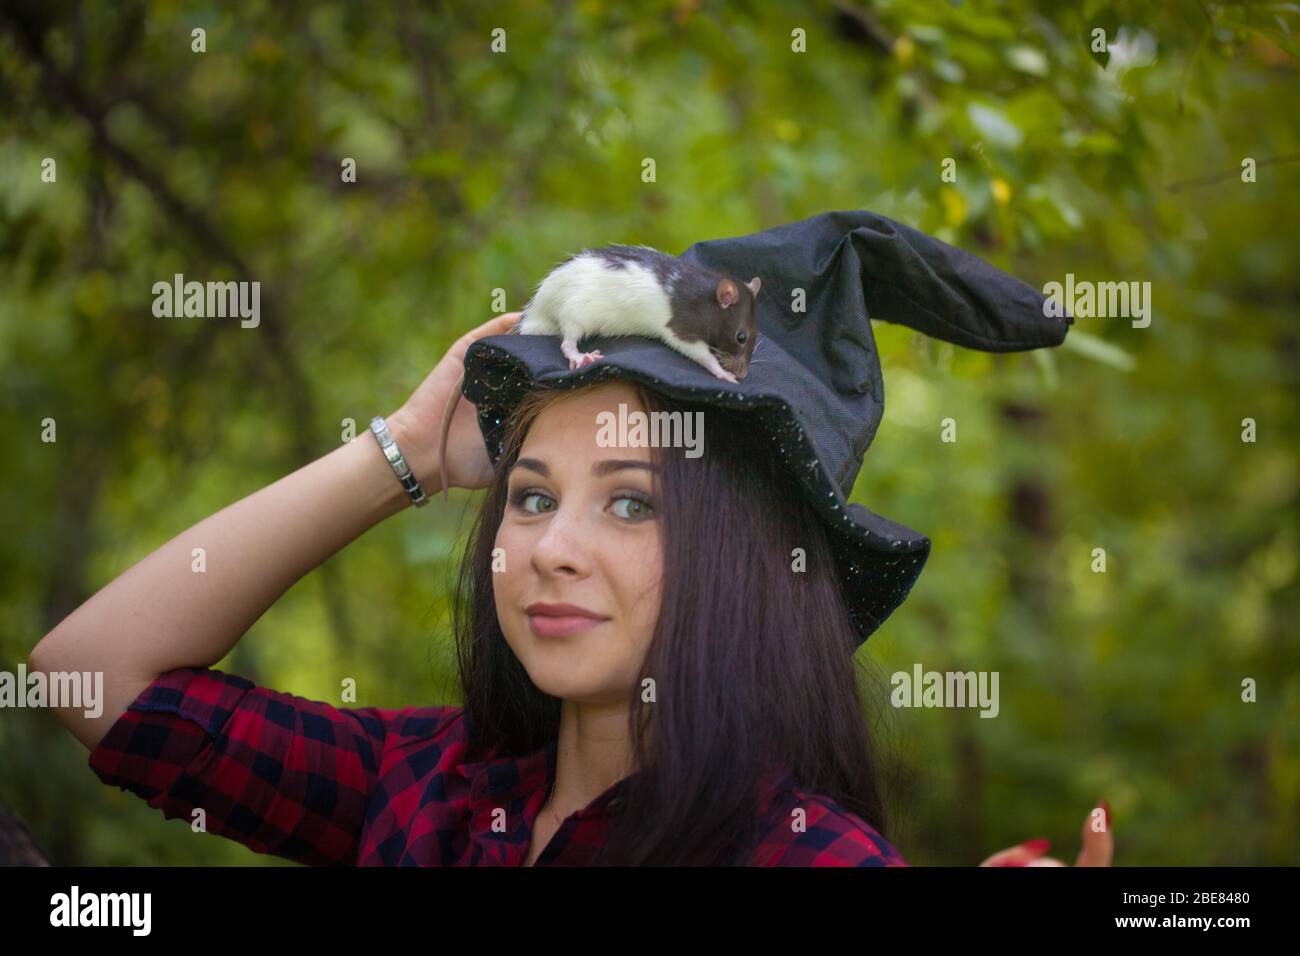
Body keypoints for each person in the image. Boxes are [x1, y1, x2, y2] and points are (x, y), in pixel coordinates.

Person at [30, 312, 1112, 866]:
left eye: (632, 503)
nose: (550, 547)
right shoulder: (417, 787)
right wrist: (402, 450)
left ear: (737, 564)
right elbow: (86, 674)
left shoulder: (804, 855)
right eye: (531, 496)